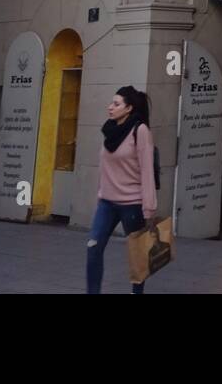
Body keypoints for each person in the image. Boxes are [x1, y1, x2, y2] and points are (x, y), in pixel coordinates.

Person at [87, 86, 157, 295]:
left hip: (132, 204)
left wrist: (149, 209)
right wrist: (100, 195)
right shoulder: (109, 130)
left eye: (116, 104)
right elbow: (105, 168)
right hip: (107, 203)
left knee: (137, 256)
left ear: (129, 108)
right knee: (93, 248)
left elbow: (147, 170)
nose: (110, 107)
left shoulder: (140, 131)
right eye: (111, 103)